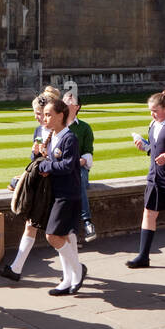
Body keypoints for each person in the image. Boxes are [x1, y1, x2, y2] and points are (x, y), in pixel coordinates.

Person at [0, 93, 55, 282]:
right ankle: (16, 268)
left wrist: (45, 159)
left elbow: (62, 160)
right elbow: (35, 160)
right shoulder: (38, 131)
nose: (37, 117)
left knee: (58, 233)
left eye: (39, 113)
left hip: (52, 186)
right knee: (32, 224)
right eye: (35, 113)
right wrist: (34, 153)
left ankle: (76, 268)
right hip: (38, 184)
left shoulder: (59, 131)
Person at [126, 89, 165, 269]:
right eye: (150, 110)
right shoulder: (153, 125)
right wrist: (145, 147)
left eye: (155, 110)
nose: (152, 113)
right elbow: (154, 150)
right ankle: (143, 256)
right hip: (154, 177)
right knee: (149, 212)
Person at [37, 96, 87, 295]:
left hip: (68, 194)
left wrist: (46, 165)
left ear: (61, 115)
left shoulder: (70, 138)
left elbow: (68, 165)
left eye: (49, 115)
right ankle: (68, 279)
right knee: (65, 236)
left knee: (52, 236)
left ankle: (77, 270)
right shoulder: (52, 137)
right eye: (44, 115)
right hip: (56, 193)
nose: (45, 119)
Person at [63, 88, 96, 241]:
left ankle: (86, 222)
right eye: (64, 100)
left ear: (77, 107)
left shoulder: (84, 128)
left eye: (70, 101)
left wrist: (77, 162)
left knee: (79, 180)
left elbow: (88, 153)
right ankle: (80, 228)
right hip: (61, 168)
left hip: (77, 167)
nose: (66, 102)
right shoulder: (57, 125)